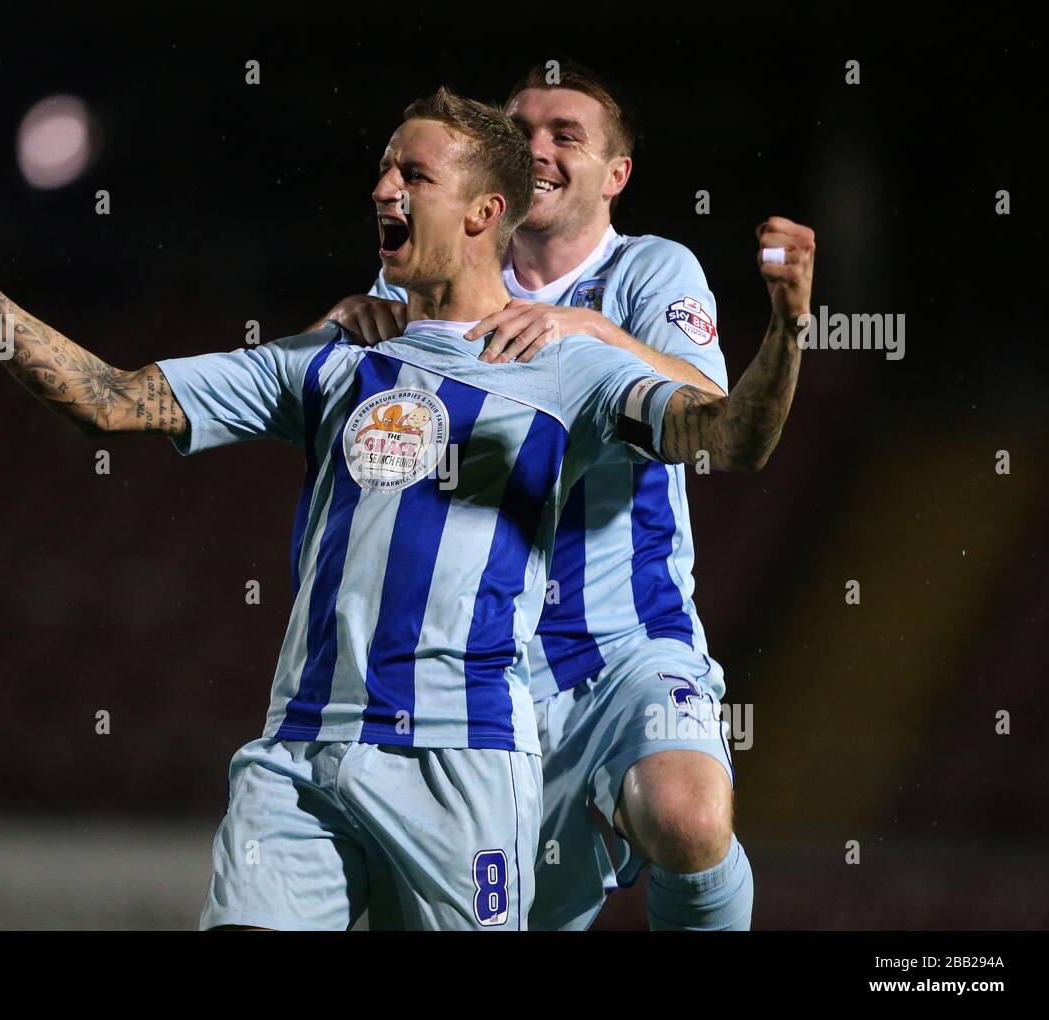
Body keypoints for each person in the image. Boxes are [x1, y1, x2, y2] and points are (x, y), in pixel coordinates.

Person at [0, 85, 809, 930]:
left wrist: (787, 327)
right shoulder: (336, 355)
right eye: (383, 168)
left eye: (413, 174)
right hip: (298, 754)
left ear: (485, 212)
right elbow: (110, 396)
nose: (384, 189)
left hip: (466, 759)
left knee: (685, 817)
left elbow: (728, 439)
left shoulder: (573, 361)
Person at [312, 63, 815, 930]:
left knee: (688, 816)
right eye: (520, 131)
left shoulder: (650, 271)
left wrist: (594, 331)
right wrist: (341, 331)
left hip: (627, 638)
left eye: (565, 135)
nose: (536, 150)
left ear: (616, 175)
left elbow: (721, 423)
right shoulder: (435, 270)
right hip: (473, 667)